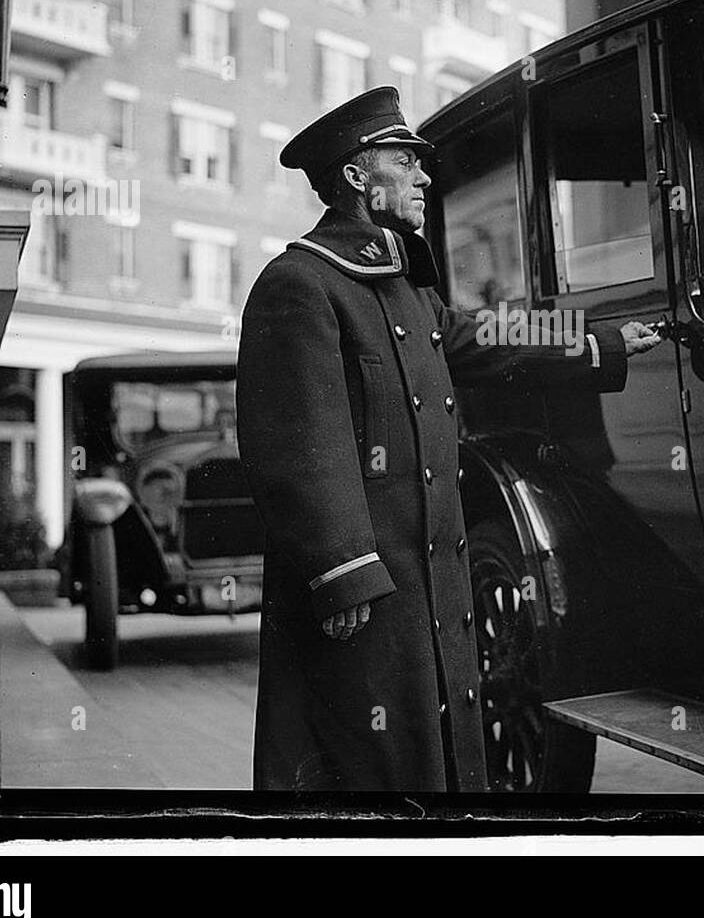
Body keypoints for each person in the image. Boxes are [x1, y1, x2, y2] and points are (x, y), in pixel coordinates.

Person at [236, 86, 661, 791]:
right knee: (369, 770)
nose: (425, 178)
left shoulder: (408, 290)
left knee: (438, 764)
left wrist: (599, 343)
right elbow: (297, 451)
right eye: (408, 162)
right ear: (356, 176)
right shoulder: (300, 285)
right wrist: (342, 575)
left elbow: (493, 338)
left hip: (427, 581)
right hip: (366, 591)